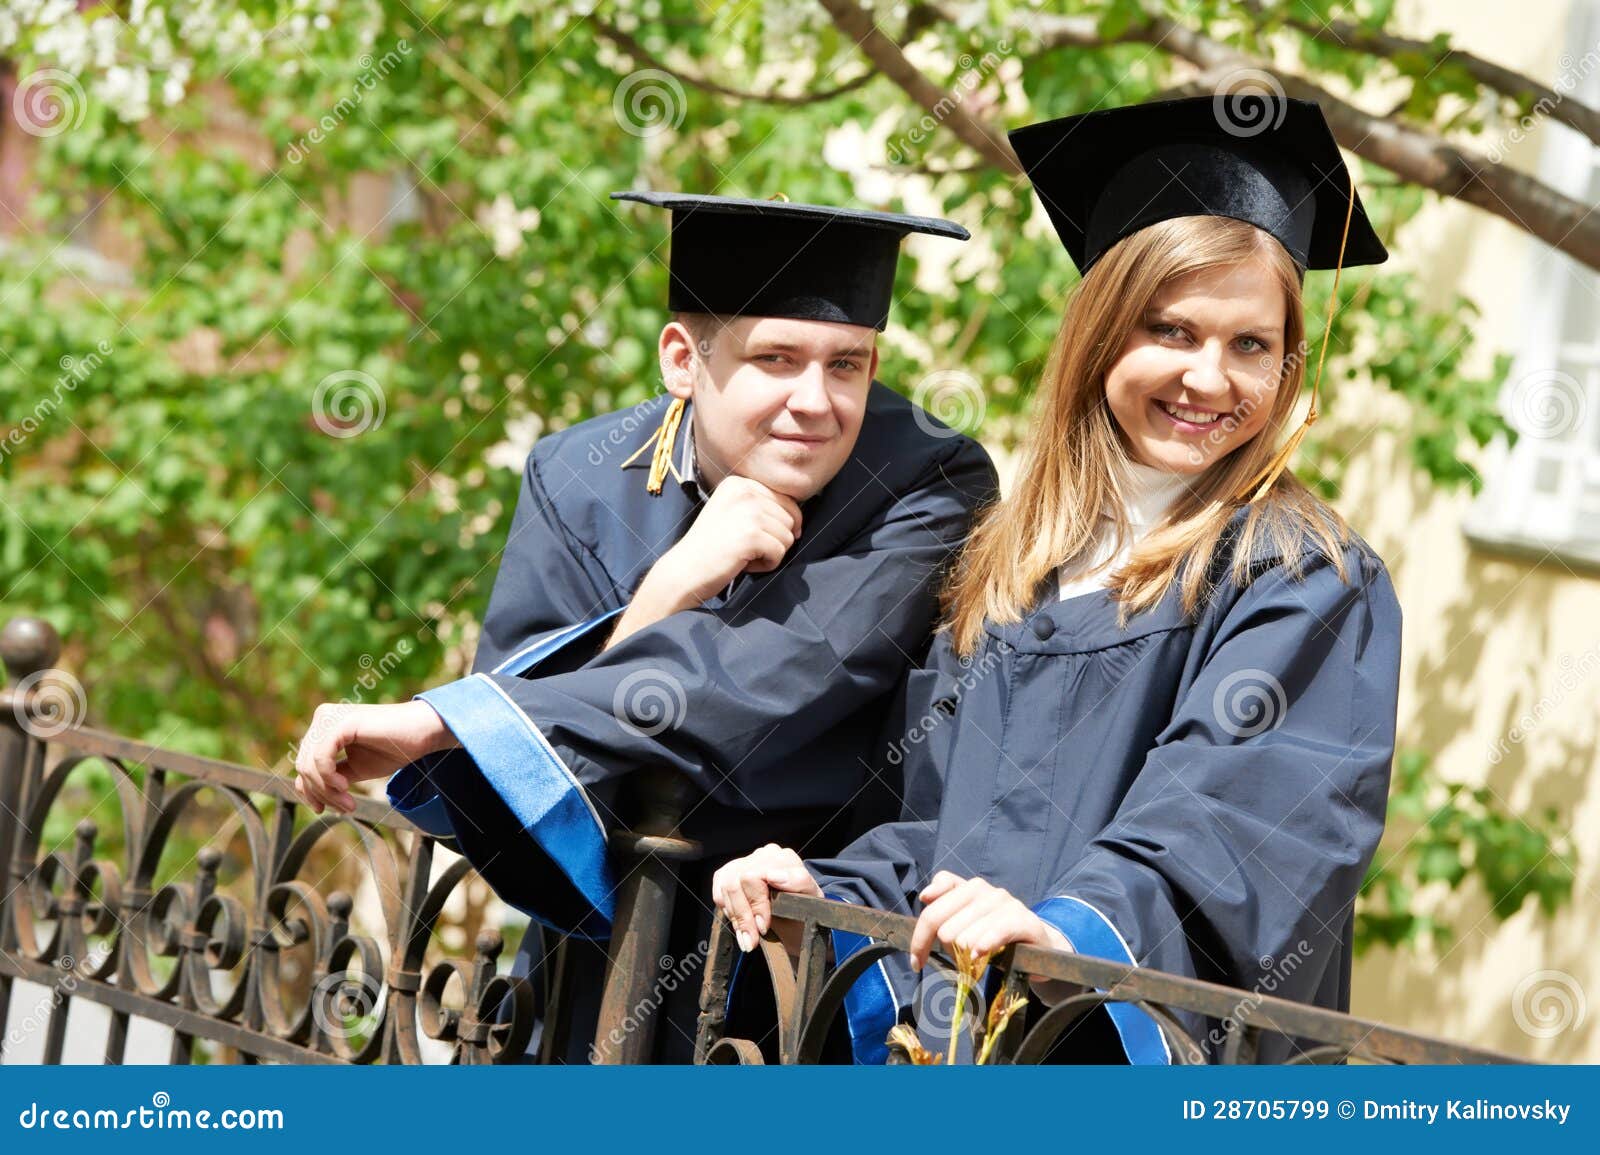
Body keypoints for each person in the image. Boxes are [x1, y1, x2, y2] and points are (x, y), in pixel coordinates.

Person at [711, 96, 1403, 1065]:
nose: (1209, 378)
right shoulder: (1015, 566)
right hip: (964, 1050)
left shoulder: (1301, 578)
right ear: (1101, 336)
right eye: (1170, 330)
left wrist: (1071, 935)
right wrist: (816, 897)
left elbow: (1239, 826)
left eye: (1250, 344)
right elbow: (935, 834)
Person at [290, 191, 998, 1062]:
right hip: (597, 933)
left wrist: (441, 722)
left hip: (788, 951)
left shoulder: (929, 480)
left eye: (846, 365)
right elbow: (535, 787)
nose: (815, 401)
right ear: (681, 358)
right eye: (775, 358)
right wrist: (674, 581)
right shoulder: (580, 477)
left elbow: (781, 675)